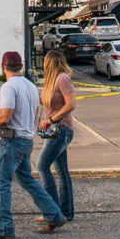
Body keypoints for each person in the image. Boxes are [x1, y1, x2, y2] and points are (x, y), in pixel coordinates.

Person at [0, 51, 66, 239]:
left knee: (0, 184)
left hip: (11, 141)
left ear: (3, 67)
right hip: (27, 139)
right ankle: (54, 214)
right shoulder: (30, 86)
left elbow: (5, 117)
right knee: (28, 180)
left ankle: (4, 228)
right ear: (20, 66)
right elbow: (34, 112)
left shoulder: (9, 87)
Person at [36, 50, 77, 223]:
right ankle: (66, 212)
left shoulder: (62, 79)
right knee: (62, 171)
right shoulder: (50, 82)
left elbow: (71, 104)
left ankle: (52, 211)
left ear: (50, 62)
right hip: (55, 130)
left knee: (42, 166)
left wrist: (51, 119)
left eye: (45, 61)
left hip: (62, 129)